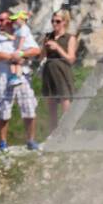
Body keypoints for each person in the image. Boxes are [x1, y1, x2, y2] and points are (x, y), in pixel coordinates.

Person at [0, 9, 41, 150]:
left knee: (29, 108)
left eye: (2, 20)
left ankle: (30, 140)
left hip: (23, 76)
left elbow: (36, 50)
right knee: (3, 110)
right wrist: (14, 57)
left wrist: (22, 54)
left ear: (10, 21)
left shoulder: (23, 33)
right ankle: (2, 141)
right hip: (5, 77)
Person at [41, 9, 78, 138]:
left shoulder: (70, 38)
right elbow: (42, 56)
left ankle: (67, 132)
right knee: (51, 104)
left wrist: (57, 48)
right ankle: (53, 133)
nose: (54, 24)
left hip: (62, 71)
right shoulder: (48, 36)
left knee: (65, 102)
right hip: (49, 71)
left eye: (57, 21)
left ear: (65, 22)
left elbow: (71, 58)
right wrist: (44, 47)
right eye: (53, 21)